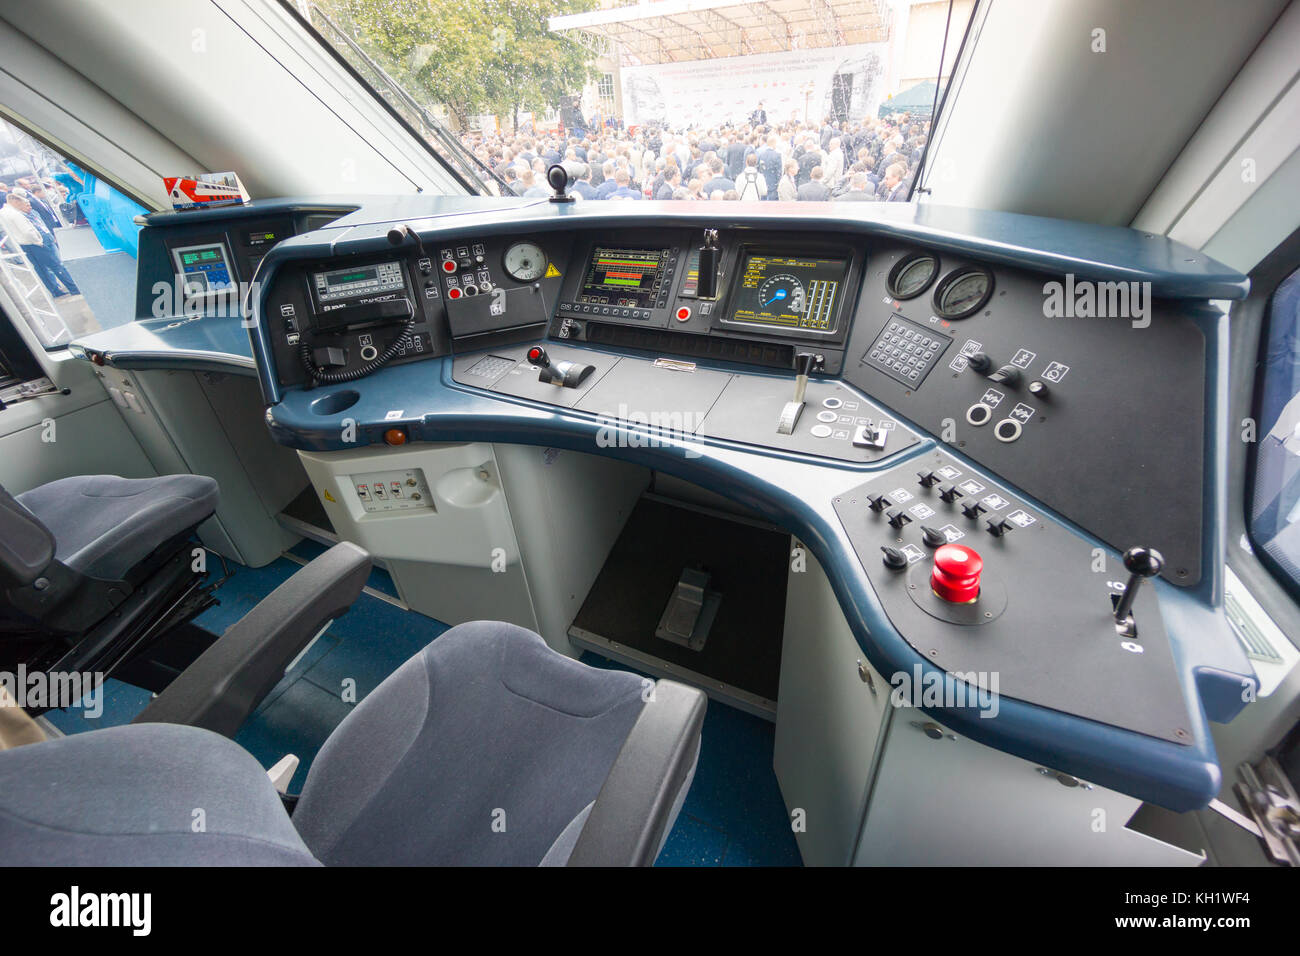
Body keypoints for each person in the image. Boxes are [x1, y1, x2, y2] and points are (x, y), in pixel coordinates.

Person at [0, 191, 80, 297]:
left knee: (42, 269)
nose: (27, 206)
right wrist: (38, 241)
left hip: (24, 244)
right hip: (34, 243)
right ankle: (73, 288)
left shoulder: (3, 213)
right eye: (24, 203)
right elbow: (27, 231)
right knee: (56, 265)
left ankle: (56, 291)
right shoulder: (15, 214)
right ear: (16, 202)